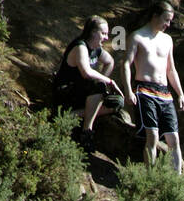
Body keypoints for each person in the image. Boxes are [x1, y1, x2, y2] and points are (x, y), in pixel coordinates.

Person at [122, 1, 184, 173]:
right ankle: (150, 178)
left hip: (165, 93)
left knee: (174, 139)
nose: (168, 24)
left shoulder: (167, 40)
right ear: (155, 16)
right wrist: (128, 90)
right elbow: (126, 65)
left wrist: (180, 93)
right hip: (144, 89)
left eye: (170, 21)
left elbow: (171, 69)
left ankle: (177, 181)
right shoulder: (137, 36)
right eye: (166, 20)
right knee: (153, 137)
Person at [53, 16, 128, 151]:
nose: (106, 38)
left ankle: (71, 116)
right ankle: (86, 132)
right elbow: (86, 73)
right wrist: (108, 81)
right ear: (93, 32)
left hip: (84, 93)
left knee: (117, 102)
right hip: (66, 91)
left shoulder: (96, 49)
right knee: (98, 86)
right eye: (103, 33)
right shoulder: (80, 47)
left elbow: (110, 61)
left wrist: (102, 80)